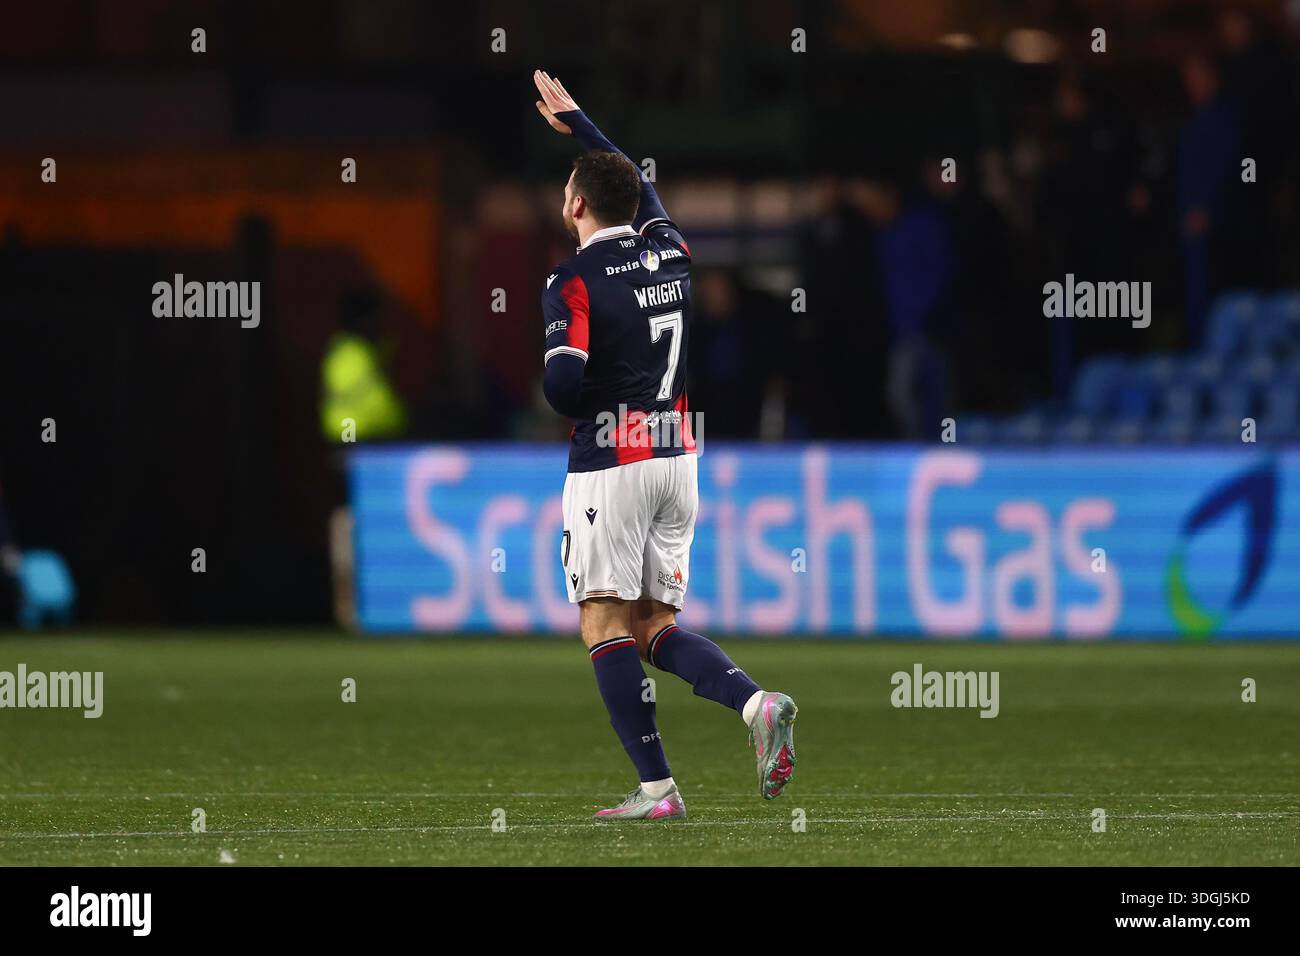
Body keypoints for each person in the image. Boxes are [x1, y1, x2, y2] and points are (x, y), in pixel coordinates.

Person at [532, 70, 797, 820]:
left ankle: (659, 793)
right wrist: (583, 123)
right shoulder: (671, 249)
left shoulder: (572, 278)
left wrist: (573, 383)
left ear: (576, 205)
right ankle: (754, 706)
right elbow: (636, 187)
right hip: (678, 458)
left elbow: (561, 387)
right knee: (653, 624)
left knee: (603, 621)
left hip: (612, 463)